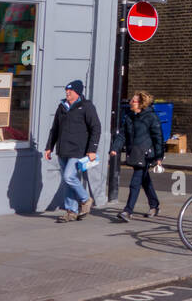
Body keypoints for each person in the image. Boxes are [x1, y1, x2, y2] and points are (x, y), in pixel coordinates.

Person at [44, 79, 102, 222]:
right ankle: (71, 211)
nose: (67, 92)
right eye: (66, 90)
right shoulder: (62, 107)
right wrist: (49, 147)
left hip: (78, 149)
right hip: (63, 149)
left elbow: (96, 128)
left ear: (78, 92)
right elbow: (55, 129)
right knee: (68, 181)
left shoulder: (86, 106)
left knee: (69, 176)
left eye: (71, 90)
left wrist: (92, 149)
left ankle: (85, 199)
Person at [110, 90, 164, 222]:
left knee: (135, 182)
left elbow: (158, 138)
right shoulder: (129, 117)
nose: (130, 102)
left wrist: (159, 157)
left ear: (140, 103)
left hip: (146, 154)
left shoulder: (151, 117)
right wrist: (115, 148)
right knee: (145, 181)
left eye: (133, 101)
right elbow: (122, 135)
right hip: (134, 153)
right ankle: (154, 205)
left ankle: (128, 211)